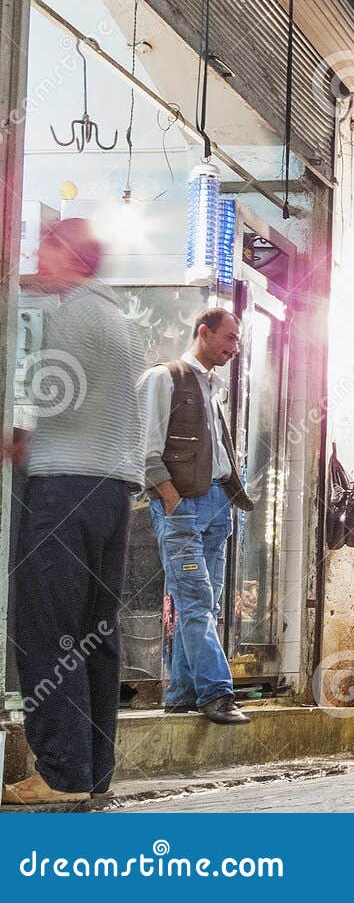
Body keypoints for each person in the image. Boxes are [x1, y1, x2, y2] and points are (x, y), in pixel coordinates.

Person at [3, 219, 141, 805]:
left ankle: (60, 774)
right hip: (113, 495)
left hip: (63, 490)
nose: (40, 260)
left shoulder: (69, 319)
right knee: (93, 635)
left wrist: (15, 441)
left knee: (48, 630)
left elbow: (46, 400)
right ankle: (93, 772)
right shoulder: (123, 323)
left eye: (47, 250)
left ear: (73, 257)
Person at [137, 308, 255, 726]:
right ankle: (217, 693)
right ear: (204, 333)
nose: (234, 348)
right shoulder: (164, 378)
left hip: (217, 505)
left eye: (238, 340)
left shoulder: (212, 387)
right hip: (183, 505)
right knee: (196, 600)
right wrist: (170, 499)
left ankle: (182, 693)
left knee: (206, 604)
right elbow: (145, 448)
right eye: (229, 338)